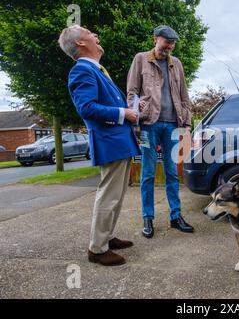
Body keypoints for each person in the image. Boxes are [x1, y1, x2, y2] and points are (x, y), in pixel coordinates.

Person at [59, 25, 141, 266]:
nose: (95, 34)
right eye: (89, 33)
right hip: (111, 143)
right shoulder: (82, 71)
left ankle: (107, 237)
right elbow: (86, 108)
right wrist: (123, 113)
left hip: (120, 142)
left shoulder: (97, 70)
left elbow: (107, 103)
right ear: (81, 43)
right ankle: (97, 249)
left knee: (117, 196)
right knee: (109, 196)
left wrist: (131, 111)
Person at [127, 25, 194, 238]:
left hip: (173, 125)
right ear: (156, 38)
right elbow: (132, 92)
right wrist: (136, 119)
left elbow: (184, 95)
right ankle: (148, 217)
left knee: (172, 172)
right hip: (148, 124)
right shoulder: (141, 59)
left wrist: (187, 123)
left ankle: (176, 216)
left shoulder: (177, 64)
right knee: (147, 173)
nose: (170, 46)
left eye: (173, 43)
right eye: (167, 42)